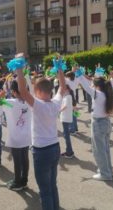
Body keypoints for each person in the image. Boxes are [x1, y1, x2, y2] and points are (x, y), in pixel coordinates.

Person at [16, 54, 66, 210]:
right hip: (54, 147)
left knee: (44, 191)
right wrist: (59, 69)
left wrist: (19, 68)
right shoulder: (56, 102)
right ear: (50, 90)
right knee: (52, 186)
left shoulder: (38, 105)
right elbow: (63, 87)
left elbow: (23, 92)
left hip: (42, 151)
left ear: (37, 90)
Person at [77, 74, 113, 180]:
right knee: (105, 148)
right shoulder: (105, 93)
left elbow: (85, 85)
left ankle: (105, 174)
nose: (92, 85)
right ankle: (108, 170)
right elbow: (87, 85)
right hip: (106, 122)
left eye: (93, 84)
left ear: (97, 85)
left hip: (99, 124)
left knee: (99, 150)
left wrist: (79, 74)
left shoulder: (98, 94)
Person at [0, 80, 32, 191]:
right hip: (26, 136)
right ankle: (24, 180)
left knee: (17, 161)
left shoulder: (10, 102)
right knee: (25, 159)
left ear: (13, 91)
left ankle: (18, 182)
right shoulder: (29, 101)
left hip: (15, 138)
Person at [59, 85, 76, 158]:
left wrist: (58, 111)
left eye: (63, 89)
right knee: (66, 135)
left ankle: (69, 152)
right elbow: (69, 106)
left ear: (67, 89)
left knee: (66, 136)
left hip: (65, 118)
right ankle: (69, 151)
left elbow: (65, 106)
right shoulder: (68, 96)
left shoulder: (68, 96)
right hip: (66, 117)